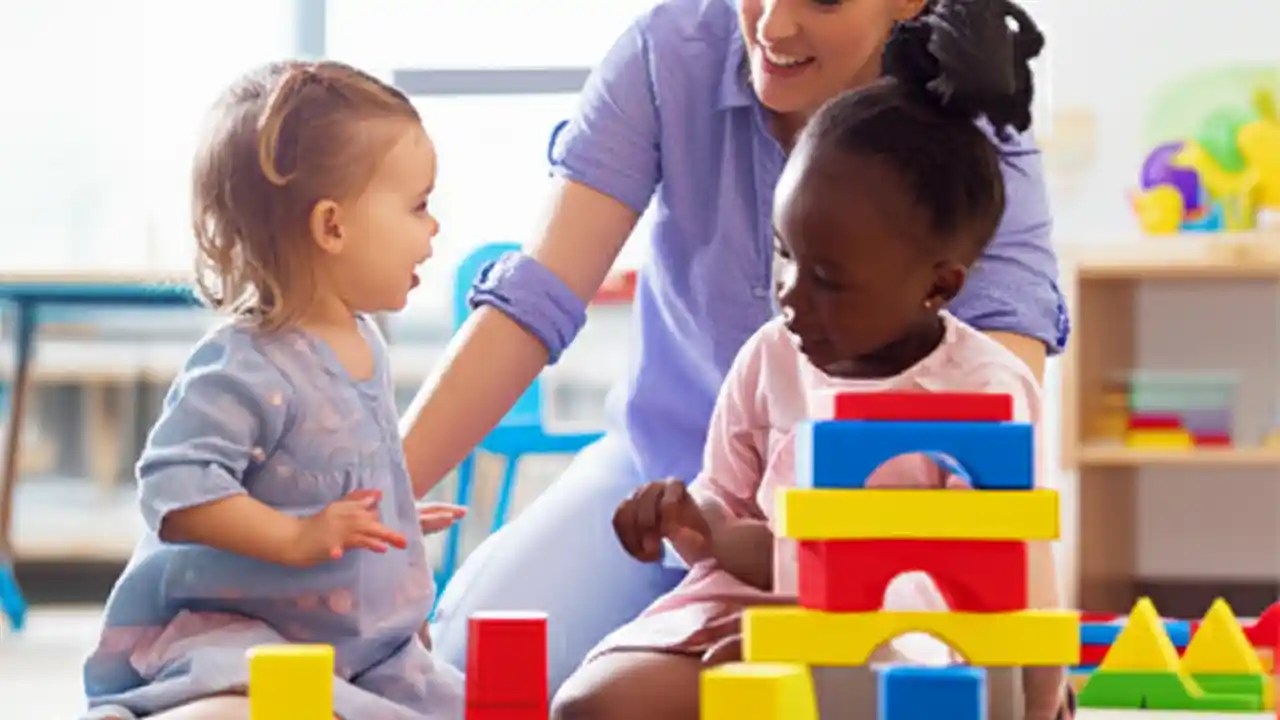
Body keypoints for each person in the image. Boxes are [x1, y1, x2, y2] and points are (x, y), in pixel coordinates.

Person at [410, 0, 1068, 694]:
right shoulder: (673, 51)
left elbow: (988, 476)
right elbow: (536, 294)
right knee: (470, 675)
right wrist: (375, 510)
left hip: (882, 533)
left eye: (820, 0)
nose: (773, 27)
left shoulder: (973, 138)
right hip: (667, 464)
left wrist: (817, 608)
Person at [82, 61, 466, 720]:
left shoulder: (363, 339)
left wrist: (391, 512)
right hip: (246, 636)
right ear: (333, 227)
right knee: (243, 706)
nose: (433, 229)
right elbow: (175, 490)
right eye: (419, 205)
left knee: (465, 704)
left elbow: (327, 465)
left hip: (354, 644)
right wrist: (296, 538)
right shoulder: (246, 361)